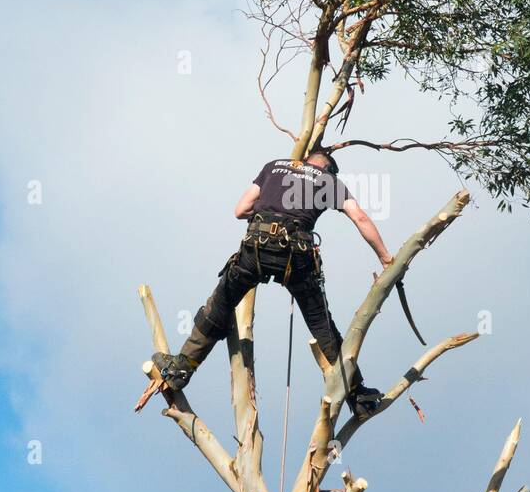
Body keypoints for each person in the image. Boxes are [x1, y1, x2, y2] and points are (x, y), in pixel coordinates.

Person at [153, 149, 394, 417]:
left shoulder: (274, 166)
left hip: (255, 248)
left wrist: (271, 209)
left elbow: (240, 210)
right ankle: (357, 395)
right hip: (297, 257)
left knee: (218, 307)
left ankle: (181, 369)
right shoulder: (329, 181)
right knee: (322, 326)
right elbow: (360, 217)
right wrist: (386, 259)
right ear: (327, 168)